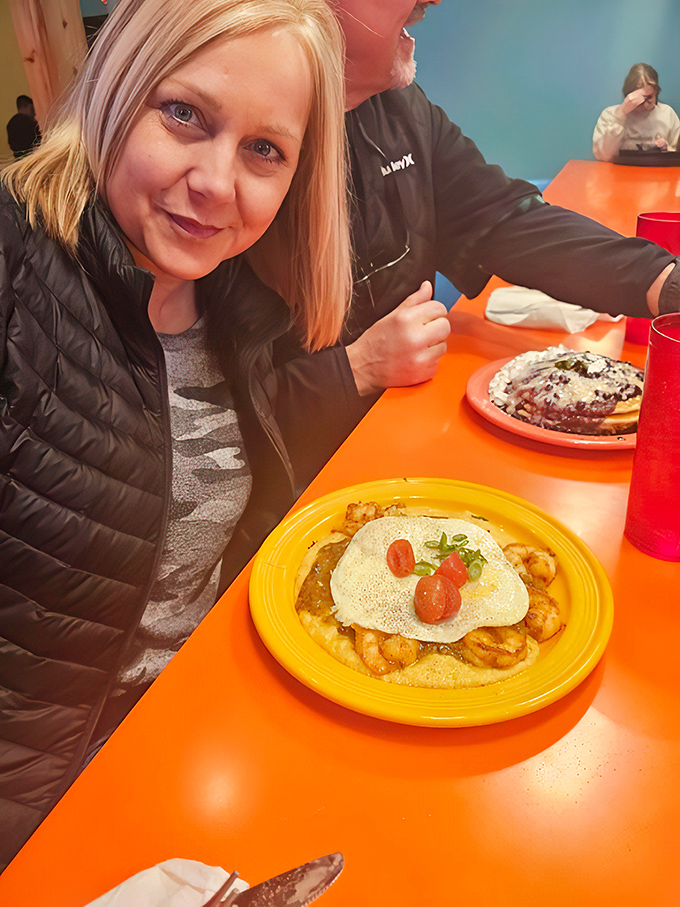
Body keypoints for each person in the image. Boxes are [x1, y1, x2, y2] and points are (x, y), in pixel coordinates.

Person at [0, 0, 351, 870]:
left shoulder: (239, 298)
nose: (217, 183)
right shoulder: (15, 263)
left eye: (264, 149)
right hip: (50, 814)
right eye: (185, 114)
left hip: (205, 731)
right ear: (118, 89)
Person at [268, 1, 680, 495]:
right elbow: (214, 410)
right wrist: (356, 369)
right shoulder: (248, 134)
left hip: (404, 431)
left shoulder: (403, 109)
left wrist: (663, 281)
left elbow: (503, 219)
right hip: (295, 479)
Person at [593, 63, 680, 162]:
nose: (644, 104)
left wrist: (666, 148)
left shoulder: (667, 114)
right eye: (640, 99)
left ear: (656, 93)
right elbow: (604, 155)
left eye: (649, 97)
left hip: (658, 170)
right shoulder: (609, 115)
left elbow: (677, 155)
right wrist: (620, 114)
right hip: (620, 170)